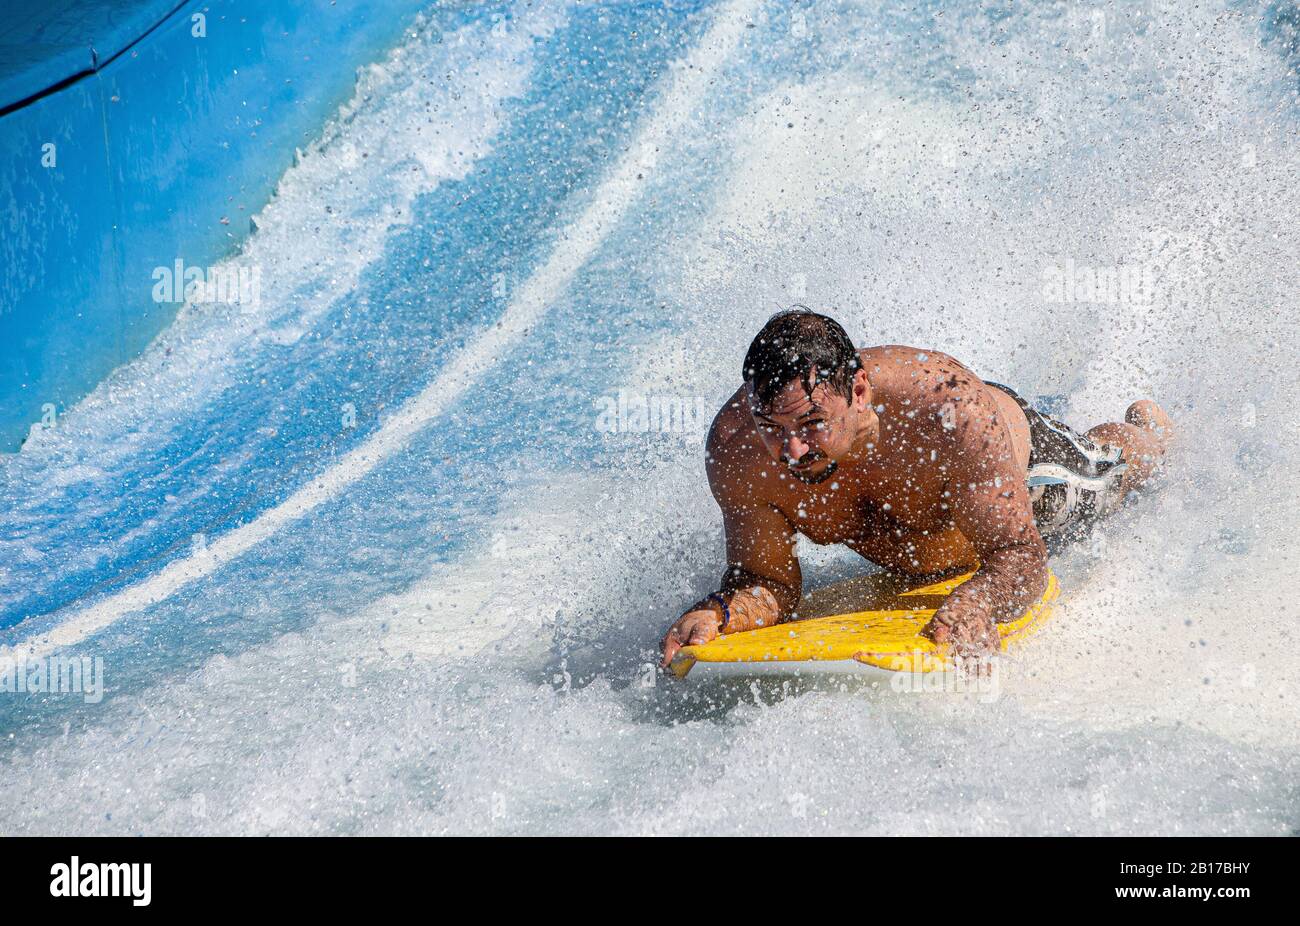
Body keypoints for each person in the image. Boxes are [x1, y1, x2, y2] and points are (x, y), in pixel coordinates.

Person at [659, 308, 1173, 667]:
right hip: (942, 540)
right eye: (774, 428)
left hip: (1030, 474)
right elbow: (767, 582)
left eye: (811, 424)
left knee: (1117, 472)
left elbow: (1021, 558)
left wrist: (980, 601)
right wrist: (723, 613)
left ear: (858, 391)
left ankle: (1148, 432)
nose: (791, 451)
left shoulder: (945, 406)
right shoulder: (739, 450)